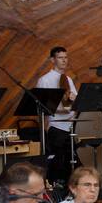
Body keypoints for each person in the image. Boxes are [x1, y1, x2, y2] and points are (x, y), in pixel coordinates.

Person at [37, 45, 78, 184]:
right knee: (57, 165)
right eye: (60, 58)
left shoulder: (68, 79)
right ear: (52, 60)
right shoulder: (45, 80)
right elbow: (44, 107)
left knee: (69, 164)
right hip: (56, 128)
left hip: (70, 128)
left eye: (66, 57)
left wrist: (73, 102)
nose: (64, 60)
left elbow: (76, 102)